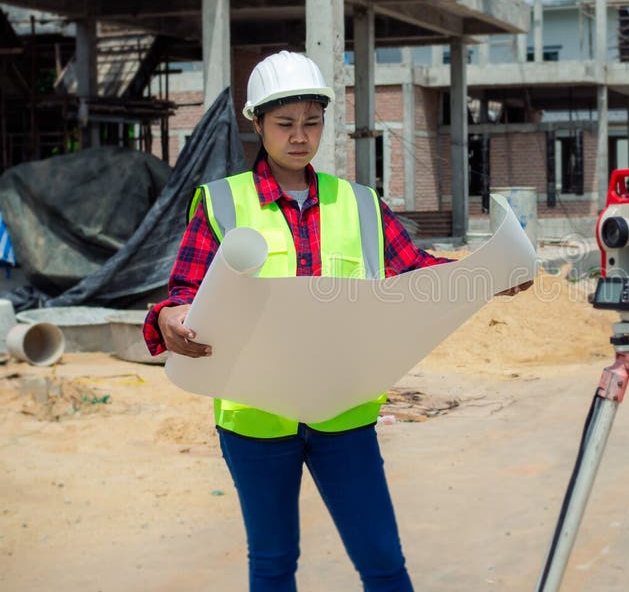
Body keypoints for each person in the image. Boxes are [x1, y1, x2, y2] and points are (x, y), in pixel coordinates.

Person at [143, 50, 529, 592]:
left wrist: (487, 276)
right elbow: (184, 294)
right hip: (256, 421)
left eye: (312, 122)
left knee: (383, 561)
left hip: (344, 414)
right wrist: (168, 319)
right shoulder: (221, 203)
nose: (299, 136)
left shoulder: (360, 204)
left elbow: (416, 274)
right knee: (274, 562)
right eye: (284, 124)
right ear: (257, 123)